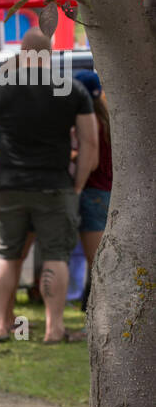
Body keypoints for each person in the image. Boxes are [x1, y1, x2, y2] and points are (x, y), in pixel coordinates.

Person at [0, 30, 98, 344]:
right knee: (56, 255)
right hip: (55, 186)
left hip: (8, 185)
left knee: (3, 254)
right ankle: (53, 329)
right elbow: (90, 142)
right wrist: (78, 184)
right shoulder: (73, 89)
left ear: (23, 51)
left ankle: (0, 326)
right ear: (50, 54)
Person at [74, 69, 111, 300]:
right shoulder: (107, 118)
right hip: (106, 191)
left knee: (96, 263)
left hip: (92, 191)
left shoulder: (91, 123)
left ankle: (97, 319)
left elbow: (93, 160)